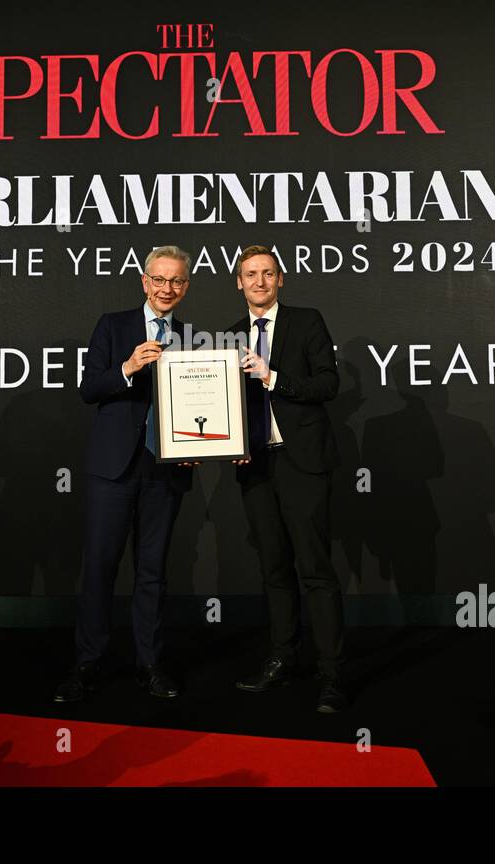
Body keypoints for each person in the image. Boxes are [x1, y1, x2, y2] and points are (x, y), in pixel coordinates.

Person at [54, 246, 196, 702]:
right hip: (112, 469)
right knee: (99, 568)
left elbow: (202, 405)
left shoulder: (193, 338)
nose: (166, 289)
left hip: (165, 470)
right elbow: (88, 388)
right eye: (159, 279)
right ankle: (88, 662)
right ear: (143, 280)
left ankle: (150, 664)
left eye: (176, 281)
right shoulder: (112, 325)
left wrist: (199, 442)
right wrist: (128, 367)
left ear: (186, 286)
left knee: (152, 572)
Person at [227, 245, 348, 713]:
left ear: (281, 279)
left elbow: (328, 384)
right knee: (274, 569)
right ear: (239, 282)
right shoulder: (233, 335)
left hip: (303, 463)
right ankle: (281, 660)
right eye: (250, 274)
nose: (259, 281)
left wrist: (274, 376)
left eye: (267, 273)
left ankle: (332, 674)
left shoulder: (307, 321)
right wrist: (232, 442)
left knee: (315, 570)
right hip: (255, 465)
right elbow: (226, 403)